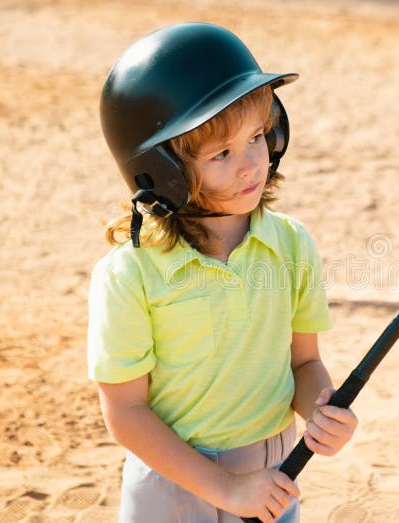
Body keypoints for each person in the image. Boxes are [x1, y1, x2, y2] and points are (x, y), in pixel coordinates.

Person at [88, 22, 358, 523]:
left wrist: (318, 410)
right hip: (171, 485)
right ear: (161, 170)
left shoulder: (291, 243)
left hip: (273, 475)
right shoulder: (131, 274)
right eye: (221, 154)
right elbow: (126, 414)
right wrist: (226, 489)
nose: (250, 165)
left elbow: (303, 365)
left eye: (257, 136)